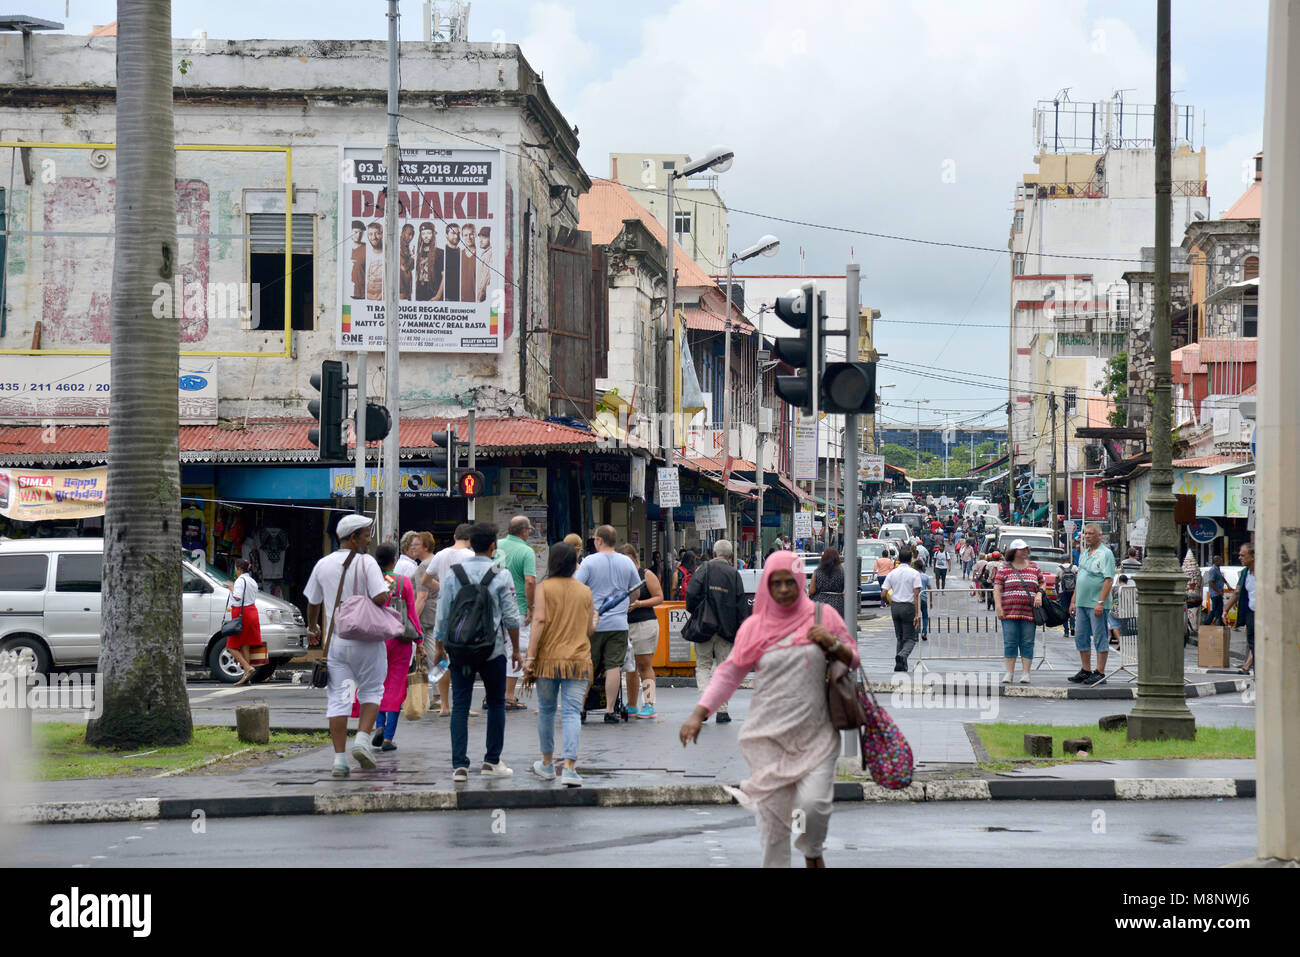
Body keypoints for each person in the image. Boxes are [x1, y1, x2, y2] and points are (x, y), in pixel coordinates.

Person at [678, 551, 858, 868]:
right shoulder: (754, 628)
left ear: (802, 581)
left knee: (812, 807)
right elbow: (729, 672)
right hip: (769, 739)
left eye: (791, 581)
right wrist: (699, 713)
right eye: (777, 583)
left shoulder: (823, 616)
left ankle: (812, 850)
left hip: (816, 736)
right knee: (773, 827)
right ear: (767, 586)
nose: (785, 589)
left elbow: (853, 658)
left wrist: (832, 643)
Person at [433, 522, 522, 781]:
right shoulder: (500, 574)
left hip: (460, 650)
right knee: (496, 704)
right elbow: (511, 618)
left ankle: (459, 766)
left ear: (470, 544)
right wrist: (516, 650)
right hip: (492, 651)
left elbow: (443, 614)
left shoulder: (453, 573)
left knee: (460, 705)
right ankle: (491, 761)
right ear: (493, 545)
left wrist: (439, 647)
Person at [304, 514, 391, 778]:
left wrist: (313, 628)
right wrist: (387, 590)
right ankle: (363, 740)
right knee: (372, 691)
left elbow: (313, 602)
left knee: (339, 700)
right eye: (366, 535)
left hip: (338, 644)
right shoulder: (368, 563)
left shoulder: (323, 564)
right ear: (353, 538)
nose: (369, 539)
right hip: (368, 642)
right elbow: (380, 597)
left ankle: (339, 761)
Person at [524, 542, 595, 787]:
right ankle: (569, 767)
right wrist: (594, 618)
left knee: (546, 710)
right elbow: (588, 629)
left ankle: (546, 763)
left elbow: (539, 620)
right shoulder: (585, 591)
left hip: (548, 661)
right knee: (572, 712)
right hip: (578, 660)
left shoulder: (544, 588)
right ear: (574, 563)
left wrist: (530, 656)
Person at [575, 525, 643, 724]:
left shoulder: (588, 562)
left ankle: (580, 707)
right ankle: (610, 709)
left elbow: (577, 589)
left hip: (593, 622)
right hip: (619, 623)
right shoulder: (626, 562)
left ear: (599, 540)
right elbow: (635, 593)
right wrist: (624, 607)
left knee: (589, 664)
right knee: (614, 666)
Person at [685, 539, 751, 723]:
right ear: (730, 556)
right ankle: (722, 710)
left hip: (704, 627)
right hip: (726, 629)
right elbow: (741, 604)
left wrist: (697, 613)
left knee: (703, 666)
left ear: (714, 554)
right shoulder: (734, 574)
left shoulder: (703, 569)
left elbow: (691, 594)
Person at [369, 542, 422, 751]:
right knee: (396, 686)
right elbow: (412, 614)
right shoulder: (403, 582)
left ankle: (379, 725)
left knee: (377, 685)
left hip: (376, 640)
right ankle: (389, 737)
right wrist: (419, 641)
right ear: (394, 560)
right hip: (400, 640)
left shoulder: (370, 582)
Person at [421, 523, 473, 716]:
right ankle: (463, 705)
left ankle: (444, 705)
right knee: (464, 658)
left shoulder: (441, 555)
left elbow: (425, 581)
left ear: (454, 537)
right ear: (471, 539)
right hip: (465, 612)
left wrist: (442, 588)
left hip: (443, 611)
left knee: (443, 657)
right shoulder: (471, 556)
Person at [496, 515, 538, 711]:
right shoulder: (526, 551)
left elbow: (494, 572)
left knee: (497, 649)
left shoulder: (498, 546)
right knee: (517, 649)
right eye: (529, 530)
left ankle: (494, 694)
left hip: (496, 606)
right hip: (518, 606)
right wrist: (531, 607)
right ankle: (508, 695)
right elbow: (530, 581)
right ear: (524, 531)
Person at [1069, 522, 1116, 686]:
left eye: (1090, 533)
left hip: (1096, 603)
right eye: (1085, 533)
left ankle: (1100, 671)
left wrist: (1100, 602)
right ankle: (1085, 669)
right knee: (1081, 636)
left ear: (1099, 535)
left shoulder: (1106, 553)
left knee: (1099, 636)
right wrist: (1073, 600)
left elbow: (1108, 579)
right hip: (1082, 602)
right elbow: (1080, 578)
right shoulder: (1084, 553)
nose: (1087, 536)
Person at [620, 544, 663, 718]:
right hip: (625, 624)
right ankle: (631, 705)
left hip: (644, 623)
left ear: (634, 558)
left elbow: (659, 597)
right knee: (630, 667)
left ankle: (649, 703)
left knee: (644, 664)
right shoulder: (620, 576)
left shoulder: (645, 574)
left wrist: (640, 604)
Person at [992, 539, 1043, 685]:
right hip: (1009, 612)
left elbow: (1042, 583)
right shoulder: (1004, 568)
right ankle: (1009, 672)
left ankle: (1026, 673)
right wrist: (998, 606)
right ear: (1014, 552)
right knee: (1010, 642)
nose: (1025, 551)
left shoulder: (1034, 567)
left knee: (1028, 642)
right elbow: (997, 588)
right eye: (1022, 549)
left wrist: (1039, 593)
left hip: (1029, 612)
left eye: (1026, 549)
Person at [883, 548, 923, 672]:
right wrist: (917, 613)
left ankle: (901, 665)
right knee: (911, 638)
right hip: (908, 607)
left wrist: (887, 602)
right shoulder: (914, 574)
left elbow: (883, 594)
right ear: (911, 559)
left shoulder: (892, 573)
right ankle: (902, 656)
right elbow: (916, 596)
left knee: (900, 638)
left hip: (895, 606)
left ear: (899, 559)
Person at [225, 558, 261, 686]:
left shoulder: (240, 581)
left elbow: (237, 596)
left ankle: (247, 668)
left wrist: (231, 588)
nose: (235, 570)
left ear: (239, 569)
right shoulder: (252, 581)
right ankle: (247, 678)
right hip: (252, 611)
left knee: (231, 646)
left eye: (235, 568)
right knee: (245, 644)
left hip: (242, 614)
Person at [1224, 542, 1255, 674]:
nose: (1239, 558)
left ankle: (1250, 667)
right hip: (1251, 613)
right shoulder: (1244, 573)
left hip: (1267, 614)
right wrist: (1225, 610)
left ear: (1253, 556)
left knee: (1261, 644)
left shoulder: (1266, 571)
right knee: (1253, 642)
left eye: (1243, 555)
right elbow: (1237, 592)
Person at [809, 547, 844, 618]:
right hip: (838, 604)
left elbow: (812, 591)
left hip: (820, 605)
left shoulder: (817, 572)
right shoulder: (842, 571)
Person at [1202, 553, 1227, 625]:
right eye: (1220, 561)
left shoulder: (1218, 569)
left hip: (1219, 593)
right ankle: (1207, 623)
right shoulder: (1213, 570)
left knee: (1219, 609)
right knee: (1215, 609)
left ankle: (1219, 623)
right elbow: (1210, 582)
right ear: (1216, 561)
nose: (1222, 562)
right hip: (1215, 594)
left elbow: (1221, 577)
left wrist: (1227, 584)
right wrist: (1217, 591)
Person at [1057, 559, 1077, 638]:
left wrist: (1058, 592)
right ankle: (1072, 626)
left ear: (1062, 560)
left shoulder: (1059, 568)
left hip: (1063, 592)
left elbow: (1056, 580)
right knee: (1072, 610)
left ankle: (1066, 631)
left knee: (1064, 611)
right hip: (1073, 591)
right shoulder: (1074, 567)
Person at [912, 558, 932, 641]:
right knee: (925, 616)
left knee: (916, 616)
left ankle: (916, 634)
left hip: (915, 599)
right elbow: (930, 589)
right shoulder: (925, 576)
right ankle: (924, 632)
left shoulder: (913, 576)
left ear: (915, 567)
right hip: (923, 599)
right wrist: (931, 601)